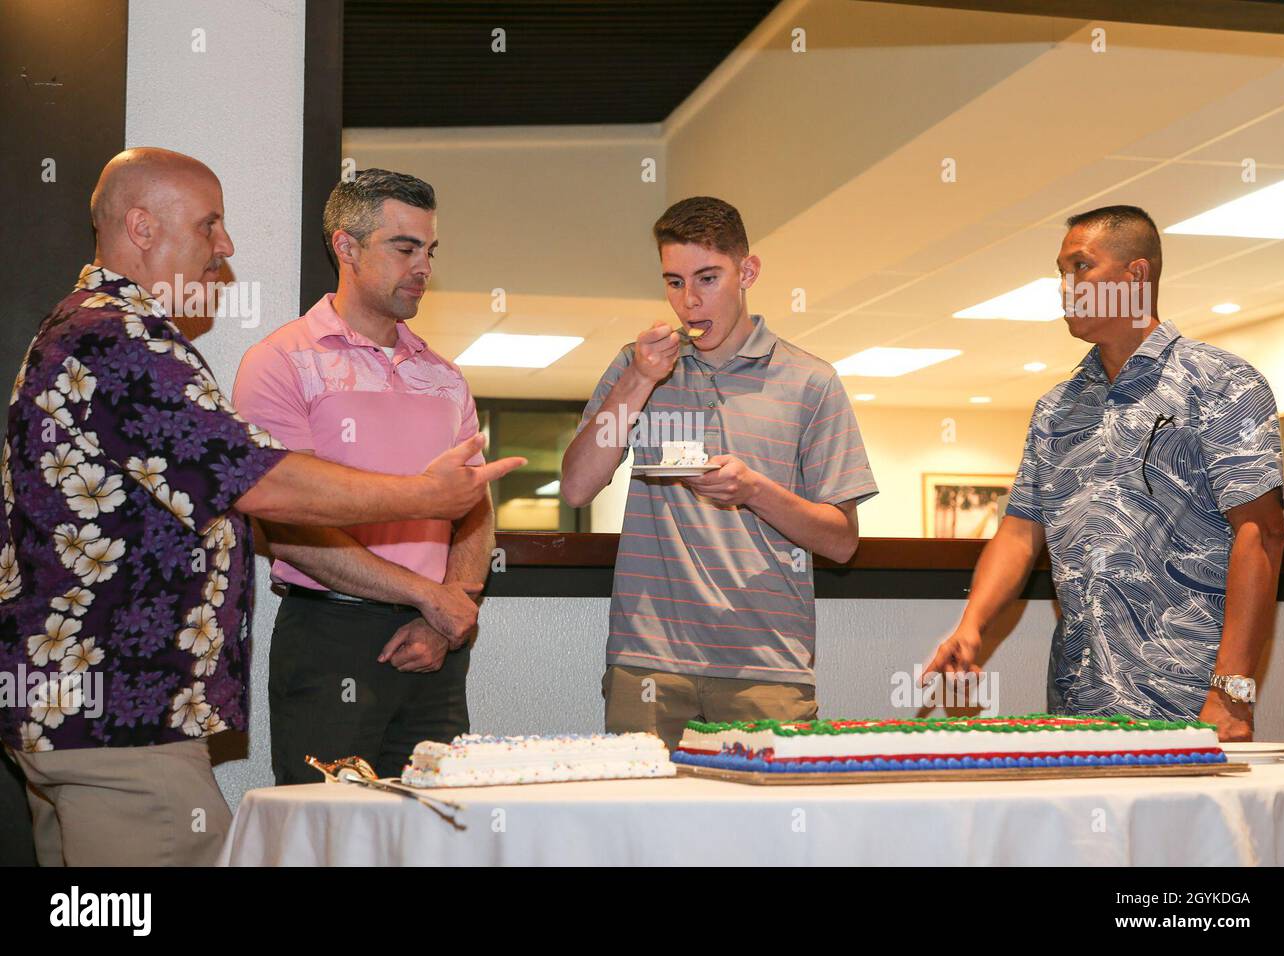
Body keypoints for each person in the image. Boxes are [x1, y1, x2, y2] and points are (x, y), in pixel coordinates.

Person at [0, 148, 523, 865]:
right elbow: (260, 484)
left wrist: (449, 598)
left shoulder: (113, 331)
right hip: (116, 706)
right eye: (209, 224)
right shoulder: (114, 337)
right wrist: (423, 497)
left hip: (95, 705)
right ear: (142, 227)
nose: (226, 246)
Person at [924, 205, 1284, 740]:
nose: (1066, 287)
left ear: (1135, 276)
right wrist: (972, 625)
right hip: (1077, 705)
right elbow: (1021, 534)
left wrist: (1233, 690)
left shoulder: (1221, 384)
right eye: (1061, 272)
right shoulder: (1057, 408)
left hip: (1188, 702)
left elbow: (1263, 533)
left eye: (1080, 268)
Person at [561, 196, 877, 749]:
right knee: (644, 831)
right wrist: (638, 381)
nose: (689, 301)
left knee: (764, 834)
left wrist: (753, 489)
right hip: (648, 662)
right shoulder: (636, 368)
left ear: (747, 271)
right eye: (674, 282)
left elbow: (842, 543)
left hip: (766, 667)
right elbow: (578, 485)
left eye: (707, 278)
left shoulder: (811, 382)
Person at [232, 169, 492, 784]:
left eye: (430, 250)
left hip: (436, 638)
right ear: (345, 247)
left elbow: (476, 512)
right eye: (405, 248)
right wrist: (428, 597)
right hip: (331, 636)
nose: (423, 265)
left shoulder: (445, 376)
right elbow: (288, 525)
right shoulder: (280, 362)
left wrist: (447, 614)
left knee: (437, 835)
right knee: (325, 837)